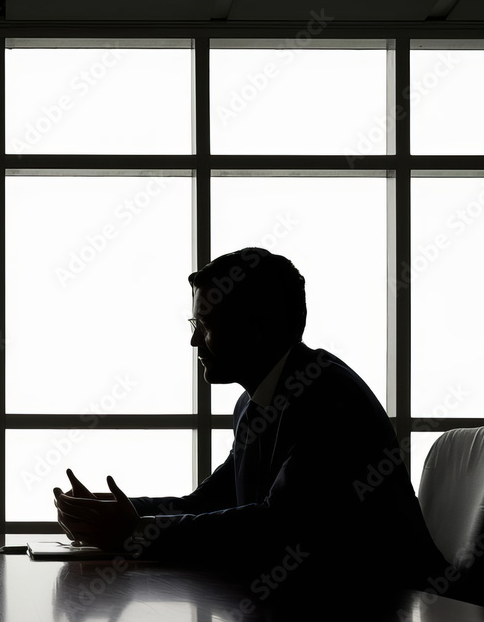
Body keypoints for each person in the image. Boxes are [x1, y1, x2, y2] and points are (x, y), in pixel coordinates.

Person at [53, 247, 446, 585]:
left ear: (258, 327)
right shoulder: (255, 403)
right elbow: (207, 502)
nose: (193, 340)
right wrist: (111, 512)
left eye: (205, 325)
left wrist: (136, 530)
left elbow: (278, 528)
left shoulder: (328, 398)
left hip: (402, 614)